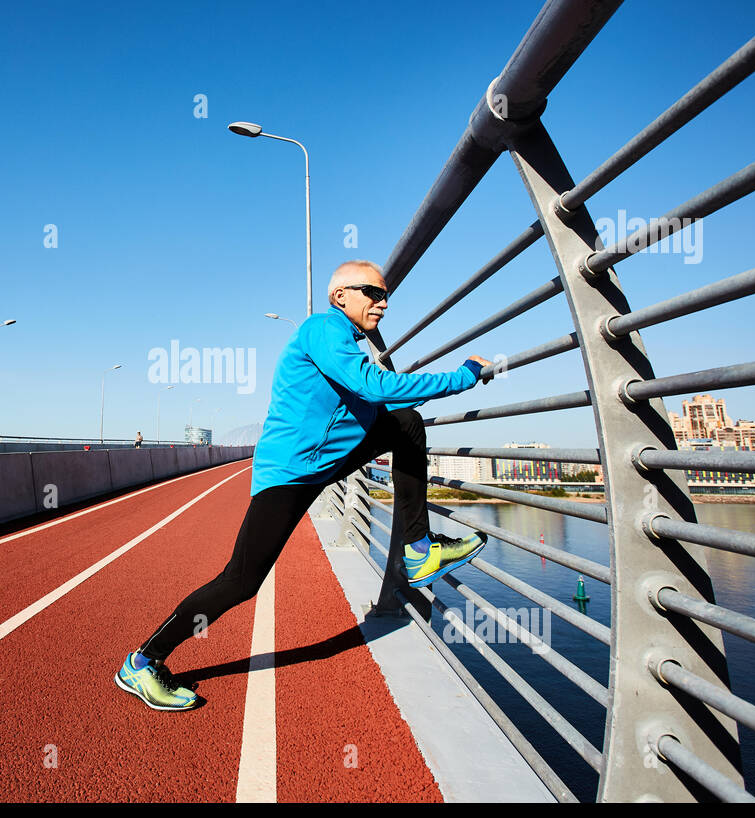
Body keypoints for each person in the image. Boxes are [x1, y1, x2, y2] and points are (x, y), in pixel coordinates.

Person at [115, 259, 491, 711]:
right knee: (241, 581)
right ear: (341, 297)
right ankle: (143, 660)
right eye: (373, 293)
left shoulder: (346, 341)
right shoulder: (323, 329)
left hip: (324, 461)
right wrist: (464, 376)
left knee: (407, 424)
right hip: (291, 473)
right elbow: (374, 387)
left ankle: (418, 548)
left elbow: (365, 403)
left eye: (386, 294)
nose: (384, 303)